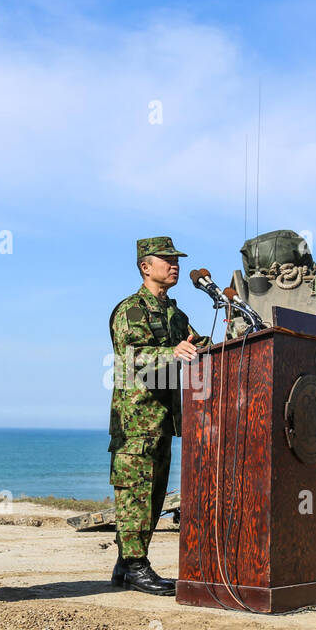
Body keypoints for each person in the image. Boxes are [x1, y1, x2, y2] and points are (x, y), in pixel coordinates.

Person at [108, 236, 207, 595]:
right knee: (135, 492)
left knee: (153, 494)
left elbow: (194, 346)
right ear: (145, 267)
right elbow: (131, 358)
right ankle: (136, 567)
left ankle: (125, 566)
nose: (174, 264)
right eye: (166, 259)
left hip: (164, 420)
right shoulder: (131, 309)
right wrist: (172, 351)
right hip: (137, 421)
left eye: (176, 259)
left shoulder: (175, 315)